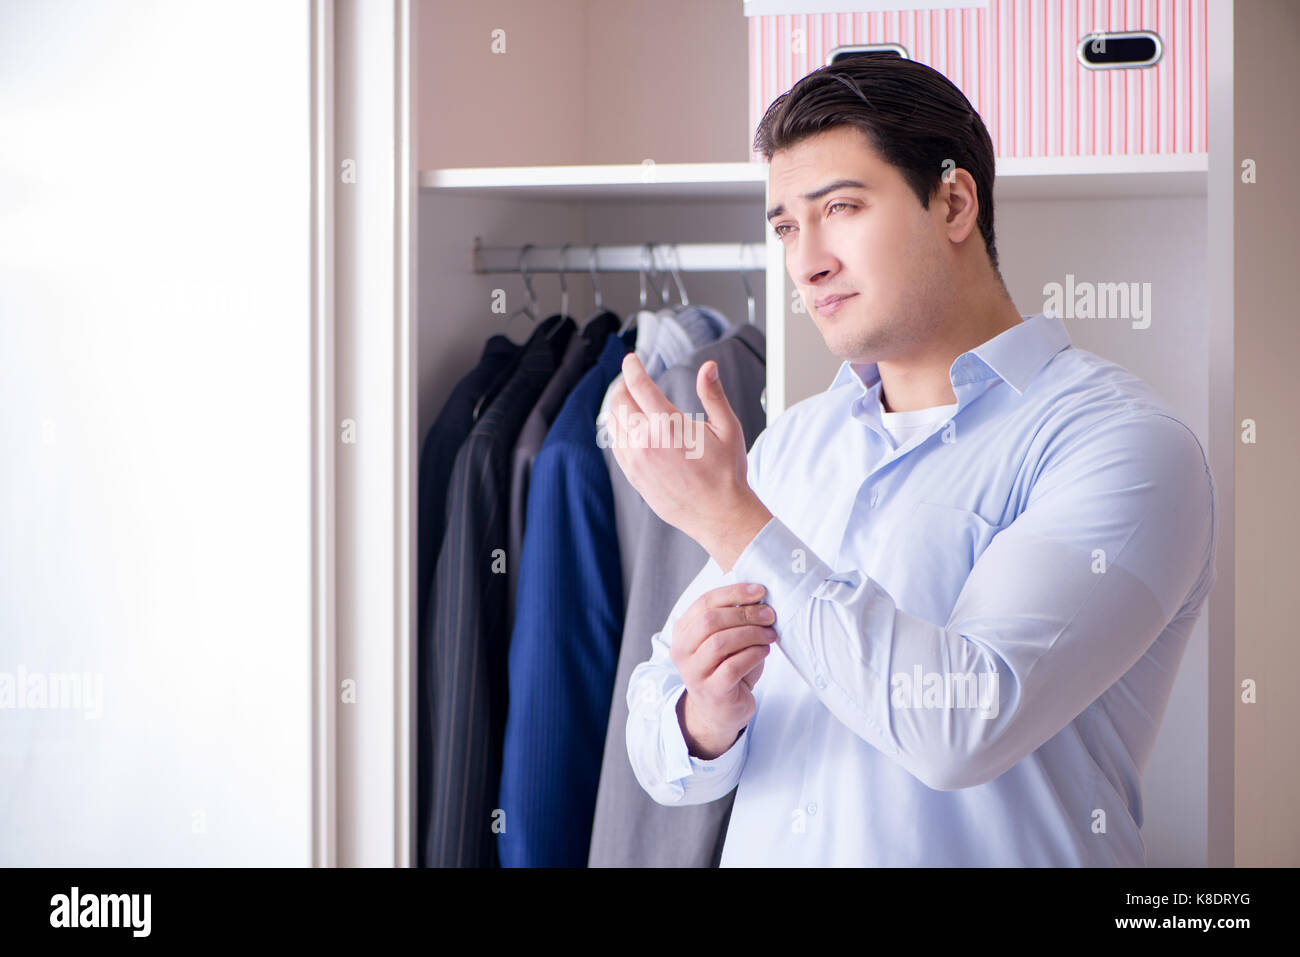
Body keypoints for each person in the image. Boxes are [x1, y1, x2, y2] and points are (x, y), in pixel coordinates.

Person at [602, 54, 1218, 866]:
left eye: (841, 208)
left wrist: (731, 519)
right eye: (786, 226)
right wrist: (704, 719)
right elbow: (655, 730)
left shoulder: (1124, 446)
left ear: (954, 201)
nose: (806, 260)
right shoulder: (792, 444)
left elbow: (963, 727)